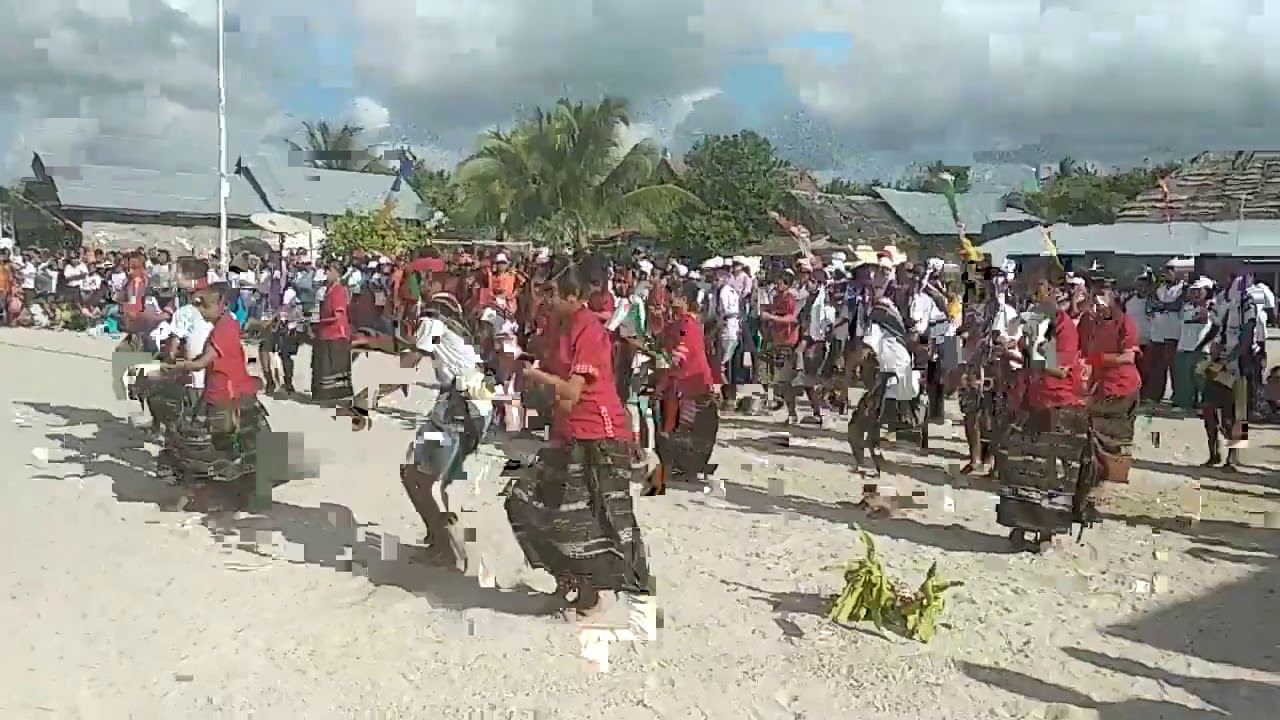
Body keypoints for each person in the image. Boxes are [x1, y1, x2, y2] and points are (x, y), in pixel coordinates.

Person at [505, 267, 652, 615]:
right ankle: (570, 581)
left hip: (599, 435)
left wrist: (535, 375)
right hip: (568, 431)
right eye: (543, 291)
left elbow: (572, 391)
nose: (546, 299)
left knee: (592, 521)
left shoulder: (589, 330)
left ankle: (593, 595)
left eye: (552, 293)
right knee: (524, 501)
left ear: (574, 297)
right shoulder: (559, 327)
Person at [399, 293, 492, 570]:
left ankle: (444, 547)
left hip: (458, 410)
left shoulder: (431, 323)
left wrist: (380, 342)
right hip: (472, 409)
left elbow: (409, 361)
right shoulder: (457, 335)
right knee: (425, 478)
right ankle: (441, 539)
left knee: (415, 477)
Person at [161, 286, 272, 512]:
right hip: (239, 392)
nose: (201, 311)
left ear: (220, 304)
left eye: (205, 306)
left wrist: (175, 366)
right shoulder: (229, 323)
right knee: (246, 447)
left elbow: (201, 363)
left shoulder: (221, 331)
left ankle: (205, 497)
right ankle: (245, 497)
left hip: (224, 395)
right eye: (198, 306)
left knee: (202, 447)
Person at [1076, 270, 1142, 522]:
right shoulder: (1087, 322)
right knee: (1089, 445)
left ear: (1113, 297)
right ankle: (1086, 497)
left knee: (1109, 447)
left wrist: (1097, 361)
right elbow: (1079, 350)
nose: (1098, 300)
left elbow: (1128, 356)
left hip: (1120, 389)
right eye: (1095, 294)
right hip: (1096, 389)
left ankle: (1092, 497)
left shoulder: (1125, 322)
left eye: (1103, 294)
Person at [648, 280, 720, 495]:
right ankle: (683, 468)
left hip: (693, 385)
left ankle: (688, 470)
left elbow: (678, 357)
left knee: (690, 429)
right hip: (683, 384)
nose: (670, 304)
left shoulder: (688, 325)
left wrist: (661, 383)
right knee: (683, 428)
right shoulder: (680, 323)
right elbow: (661, 337)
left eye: (674, 299)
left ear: (685, 300)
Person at [310, 260, 353, 403]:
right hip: (325, 333)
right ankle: (323, 395)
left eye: (329, 270)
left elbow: (338, 315)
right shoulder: (328, 290)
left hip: (336, 334)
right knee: (322, 365)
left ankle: (337, 395)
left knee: (334, 365)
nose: (326, 273)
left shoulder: (339, 290)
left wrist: (319, 322)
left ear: (336, 273)